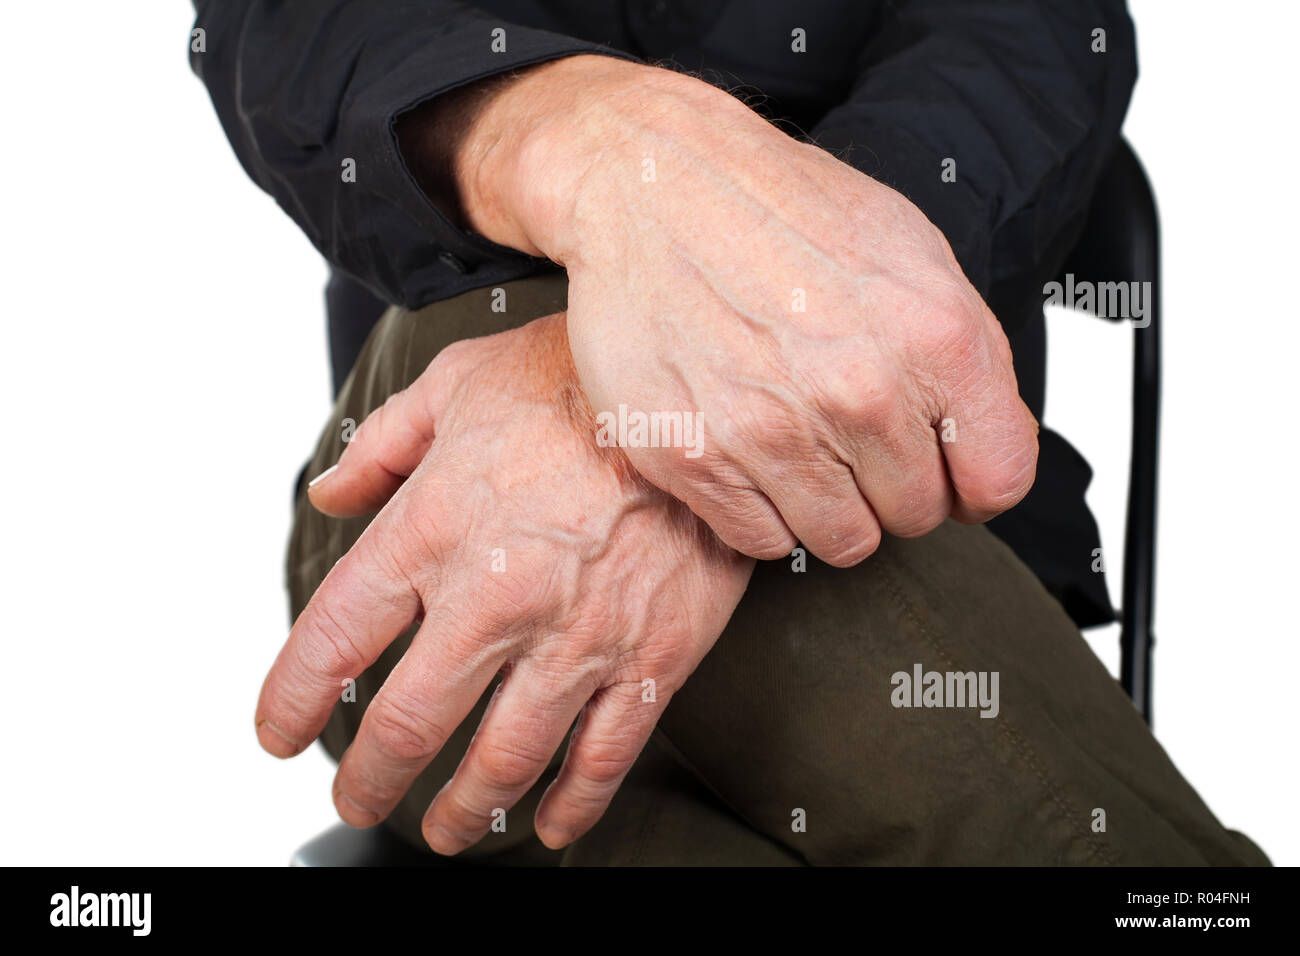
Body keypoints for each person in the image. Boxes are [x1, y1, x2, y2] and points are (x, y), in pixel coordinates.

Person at [191, 0, 1268, 864]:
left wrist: (753, 325)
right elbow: (287, 26)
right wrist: (596, 143)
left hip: (912, 524)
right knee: (480, 331)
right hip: (440, 509)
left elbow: (1029, 39)